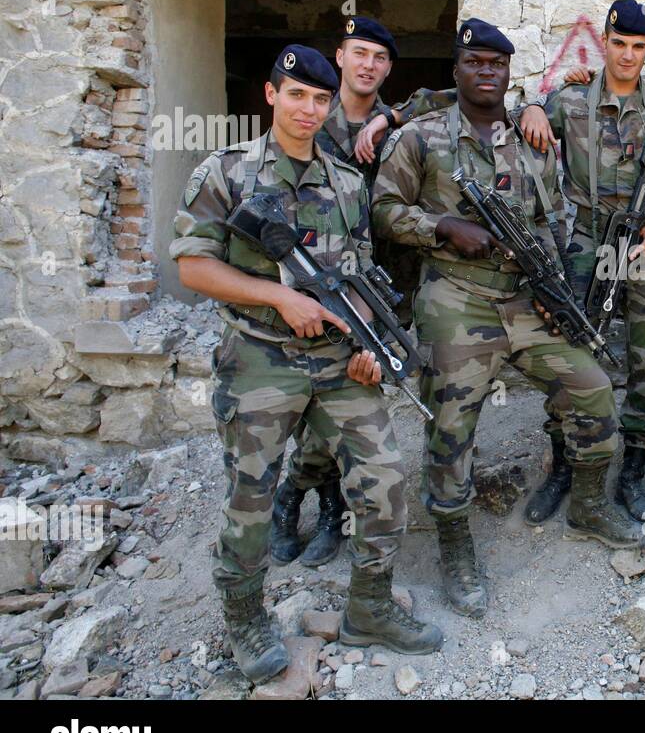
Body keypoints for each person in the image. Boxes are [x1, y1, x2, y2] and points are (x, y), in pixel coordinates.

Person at [171, 44, 442, 682]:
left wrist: (370, 344)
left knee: (385, 482)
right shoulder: (227, 171)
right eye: (297, 95)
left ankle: (370, 607)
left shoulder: (347, 180)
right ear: (272, 95)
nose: (309, 110)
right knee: (250, 498)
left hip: (336, 360)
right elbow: (191, 265)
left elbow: (355, 279)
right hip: (260, 358)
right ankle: (245, 619)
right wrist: (279, 295)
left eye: (321, 99)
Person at [372, 19, 642, 617]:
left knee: (594, 389)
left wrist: (553, 286)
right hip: (455, 297)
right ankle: (454, 541)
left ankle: (590, 503)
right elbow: (384, 211)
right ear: (457, 69)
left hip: (526, 299)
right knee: (452, 424)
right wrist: (440, 226)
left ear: (508, 71)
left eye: (497, 63)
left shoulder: (528, 135)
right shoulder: (419, 138)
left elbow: (550, 219)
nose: (486, 71)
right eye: (475, 62)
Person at [518, 0, 645, 528]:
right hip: (587, 236)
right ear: (606, 43)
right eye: (619, 44)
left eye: (639, 47)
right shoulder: (570, 99)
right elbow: (514, 126)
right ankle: (567, 464)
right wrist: (529, 103)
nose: (628, 56)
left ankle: (633, 468)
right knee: (567, 353)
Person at [271, 16, 400, 570]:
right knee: (312, 411)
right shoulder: (307, 125)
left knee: (349, 393)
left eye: (379, 56)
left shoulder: (398, 120)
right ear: (341, 57)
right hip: (299, 287)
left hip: (371, 279)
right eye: (359, 53)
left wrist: (390, 117)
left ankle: (321, 505)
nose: (369, 64)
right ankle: (312, 501)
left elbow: (446, 96)